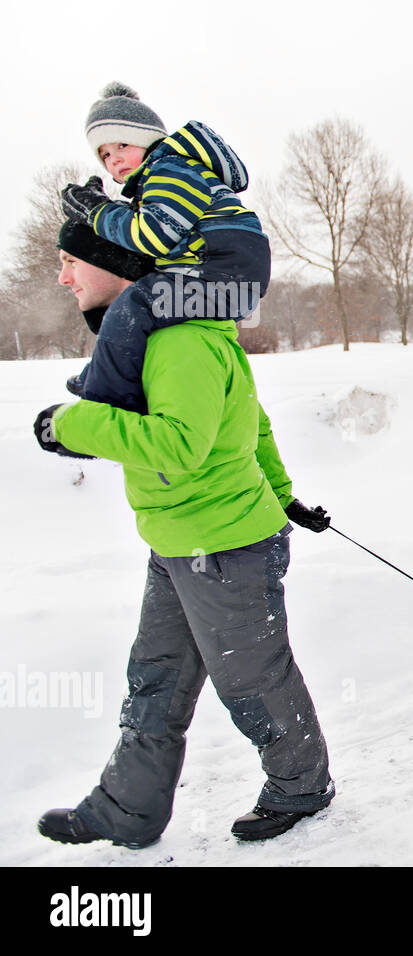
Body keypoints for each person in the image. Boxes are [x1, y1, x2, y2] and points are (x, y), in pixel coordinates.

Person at [32, 220, 334, 847]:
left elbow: (179, 446)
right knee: (157, 677)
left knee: (252, 678)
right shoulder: (151, 335)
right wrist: (284, 495)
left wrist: (72, 426)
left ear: (116, 266)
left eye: (71, 262)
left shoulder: (180, 342)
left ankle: (302, 785)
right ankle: (128, 808)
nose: (62, 277)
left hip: (225, 545)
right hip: (177, 542)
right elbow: (251, 423)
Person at [59, 82, 271, 414]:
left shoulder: (170, 169)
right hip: (218, 280)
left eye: (122, 145)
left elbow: (154, 236)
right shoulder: (163, 175)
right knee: (139, 307)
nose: (114, 160)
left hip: (221, 281)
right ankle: (104, 376)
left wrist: (97, 211)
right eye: (105, 155)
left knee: (132, 307)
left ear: (146, 137)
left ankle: (107, 401)